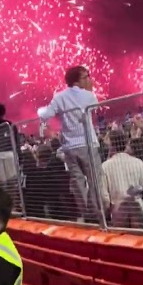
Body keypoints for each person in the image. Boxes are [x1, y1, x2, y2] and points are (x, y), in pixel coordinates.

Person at [38, 66, 102, 222]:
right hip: (88, 144)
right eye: (86, 77)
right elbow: (96, 107)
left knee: (78, 181)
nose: (89, 79)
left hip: (69, 147)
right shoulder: (89, 95)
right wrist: (89, 91)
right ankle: (97, 213)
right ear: (77, 80)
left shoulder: (59, 97)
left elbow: (45, 115)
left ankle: (86, 214)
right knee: (95, 180)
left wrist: (40, 112)